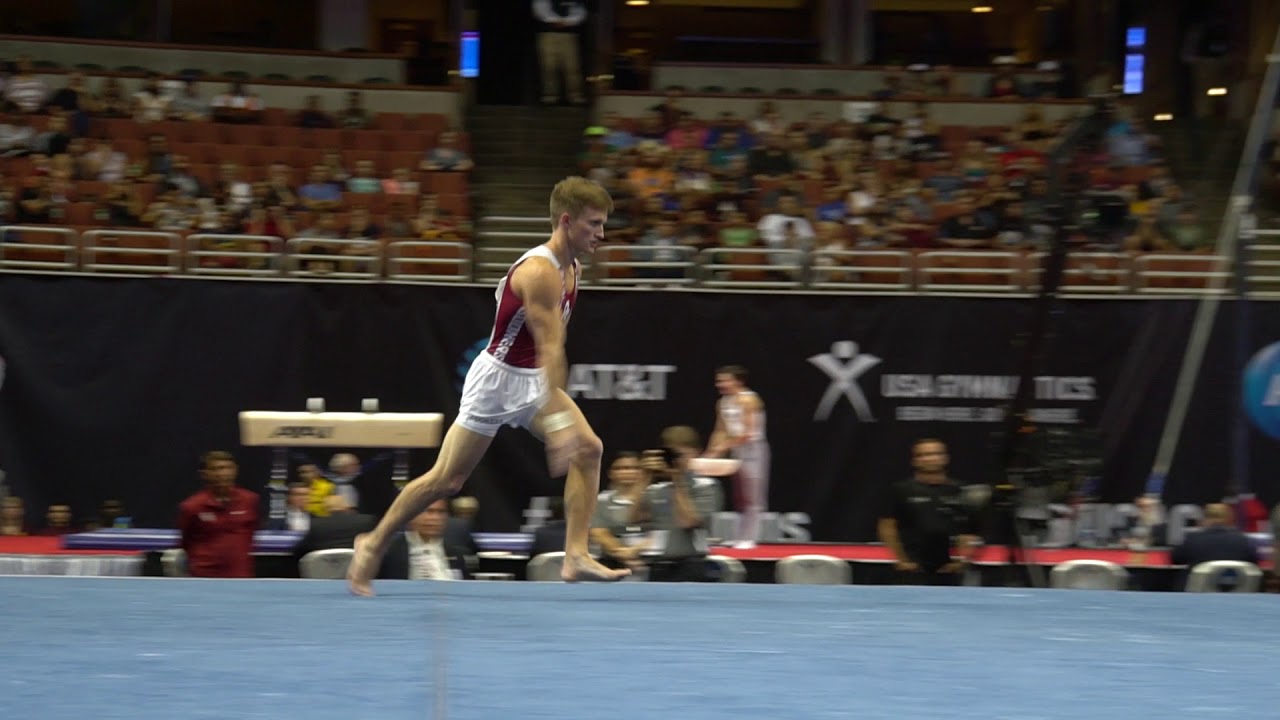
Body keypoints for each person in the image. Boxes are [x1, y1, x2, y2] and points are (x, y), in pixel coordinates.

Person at [347, 176, 629, 595]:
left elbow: (549, 352)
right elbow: (552, 348)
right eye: (593, 224)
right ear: (566, 221)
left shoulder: (573, 267)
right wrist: (556, 424)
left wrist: (558, 418)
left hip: (532, 379)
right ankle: (372, 543)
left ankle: (575, 555)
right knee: (446, 480)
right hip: (496, 381)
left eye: (603, 224)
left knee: (590, 449)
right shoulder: (539, 272)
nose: (601, 234)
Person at [877, 439, 980, 587]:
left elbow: (969, 530)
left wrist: (962, 561)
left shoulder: (960, 490)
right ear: (915, 461)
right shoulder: (901, 490)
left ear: (945, 458)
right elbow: (887, 526)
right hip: (913, 568)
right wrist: (901, 560)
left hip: (949, 569)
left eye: (936, 453)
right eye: (923, 455)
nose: (930, 458)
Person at [705, 365, 769, 549]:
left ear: (738, 381)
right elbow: (720, 430)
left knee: (753, 497)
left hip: (754, 449)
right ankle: (739, 536)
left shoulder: (750, 400)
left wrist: (722, 447)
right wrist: (710, 453)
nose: (720, 384)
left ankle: (750, 538)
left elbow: (749, 432)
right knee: (740, 496)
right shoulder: (723, 402)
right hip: (737, 448)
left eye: (725, 380)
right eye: (719, 380)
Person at [177, 451, 260, 578]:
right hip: (203, 578)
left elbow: (252, 533)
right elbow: (185, 541)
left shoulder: (250, 500)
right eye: (216, 469)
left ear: (235, 470)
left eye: (228, 468)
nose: (223, 473)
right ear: (205, 474)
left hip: (241, 577)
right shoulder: (192, 506)